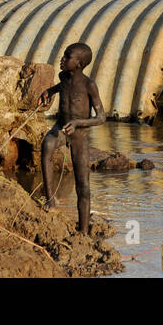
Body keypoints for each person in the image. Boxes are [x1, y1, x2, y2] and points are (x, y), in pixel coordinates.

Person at [38, 43, 106, 230]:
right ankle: (50, 201)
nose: (62, 59)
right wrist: (49, 91)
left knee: (83, 186)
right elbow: (62, 87)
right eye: (64, 55)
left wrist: (78, 123)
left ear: (79, 64)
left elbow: (101, 118)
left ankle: (83, 231)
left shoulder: (89, 85)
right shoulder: (63, 77)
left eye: (67, 57)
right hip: (61, 128)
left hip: (79, 136)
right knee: (47, 145)